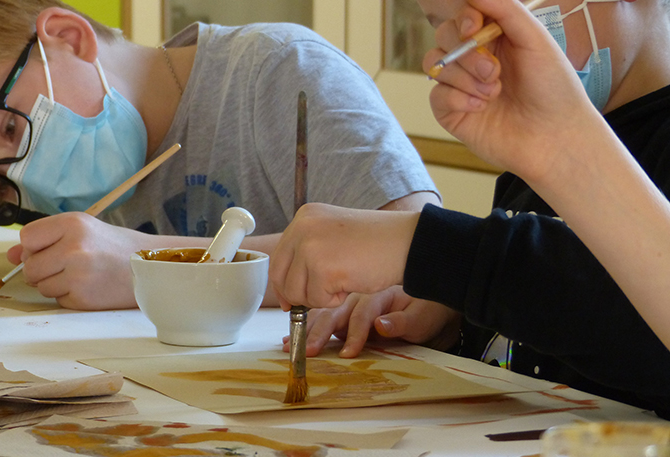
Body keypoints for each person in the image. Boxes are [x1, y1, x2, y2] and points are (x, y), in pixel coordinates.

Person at [0, 0, 440, 310]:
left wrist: (148, 271)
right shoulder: (101, 182)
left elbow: (426, 268)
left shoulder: (282, 71)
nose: (28, 179)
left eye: (10, 131)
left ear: (67, 36)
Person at [271, 0, 670, 418]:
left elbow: (640, 335)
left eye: (492, 22)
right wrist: (457, 317)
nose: (476, 53)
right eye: (447, 28)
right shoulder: (532, 167)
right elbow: (552, 315)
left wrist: (431, 249)